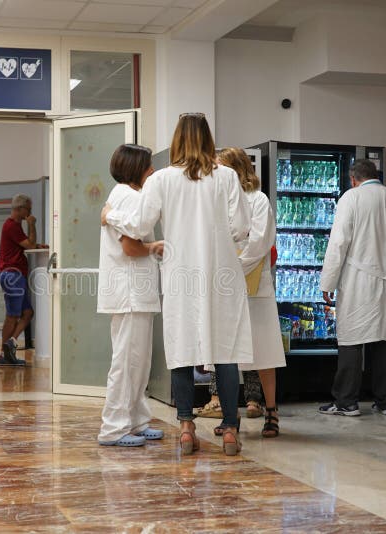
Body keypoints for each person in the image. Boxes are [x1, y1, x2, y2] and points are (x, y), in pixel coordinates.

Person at [102, 113, 253, 456]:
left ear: (176, 139)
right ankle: (230, 430)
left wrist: (110, 215)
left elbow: (139, 226)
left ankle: (186, 427)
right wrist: (215, 238)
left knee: (182, 348)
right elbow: (242, 228)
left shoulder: (161, 180)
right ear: (208, 138)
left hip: (181, 274)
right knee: (225, 351)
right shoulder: (227, 177)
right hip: (221, 275)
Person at [319, 159, 386, 416]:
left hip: (357, 280)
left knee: (351, 339)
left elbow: (338, 244)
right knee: (384, 340)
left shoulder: (351, 198)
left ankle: (346, 401)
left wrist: (328, 282)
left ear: (353, 179)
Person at [97, 144, 165, 448]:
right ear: (135, 168)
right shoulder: (131, 196)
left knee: (137, 362)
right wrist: (154, 247)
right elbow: (130, 247)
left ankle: (136, 420)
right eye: (148, 165)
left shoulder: (121, 195)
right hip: (131, 292)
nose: (152, 170)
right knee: (127, 363)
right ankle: (113, 429)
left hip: (133, 292)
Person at [219, 147, 286, 438]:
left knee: (263, 351)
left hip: (254, 284)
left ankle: (271, 410)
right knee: (227, 352)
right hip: (226, 283)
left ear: (236, 170)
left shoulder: (258, 200)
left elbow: (259, 242)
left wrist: (235, 266)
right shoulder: (218, 201)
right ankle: (229, 414)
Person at [0, 194, 45, 367]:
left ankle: (10, 344)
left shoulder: (15, 226)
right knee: (12, 316)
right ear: (20, 208)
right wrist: (32, 224)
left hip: (17, 275)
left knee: (27, 313)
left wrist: (37, 245)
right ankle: (4, 354)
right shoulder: (11, 226)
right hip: (12, 275)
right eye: (28, 209)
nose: (30, 212)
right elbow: (30, 244)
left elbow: (25, 244)